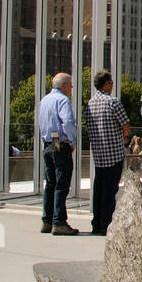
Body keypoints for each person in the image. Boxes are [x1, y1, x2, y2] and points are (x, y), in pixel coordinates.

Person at [84, 70, 131, 236]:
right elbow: (125, 124)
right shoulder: (113, 102)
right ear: (106, 84)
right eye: (111, 82)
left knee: (99, 188)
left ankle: (96, 223)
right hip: (114, 153)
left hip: (98, 154)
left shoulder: (90, 104)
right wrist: (124, 137)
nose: (112, 85)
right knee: (110, 190)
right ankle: (106, 223)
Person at [38, 72, 79, 235]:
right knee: (62, 184)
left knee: (50, 184)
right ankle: (59, 222)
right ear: (64, 85)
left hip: (48, 143)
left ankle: (47, 220)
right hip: (60, 144)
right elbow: (68, 122)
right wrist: (72, 141)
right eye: (70, 85)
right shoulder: (63, 100)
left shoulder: (44, 100)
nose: (71, 88)